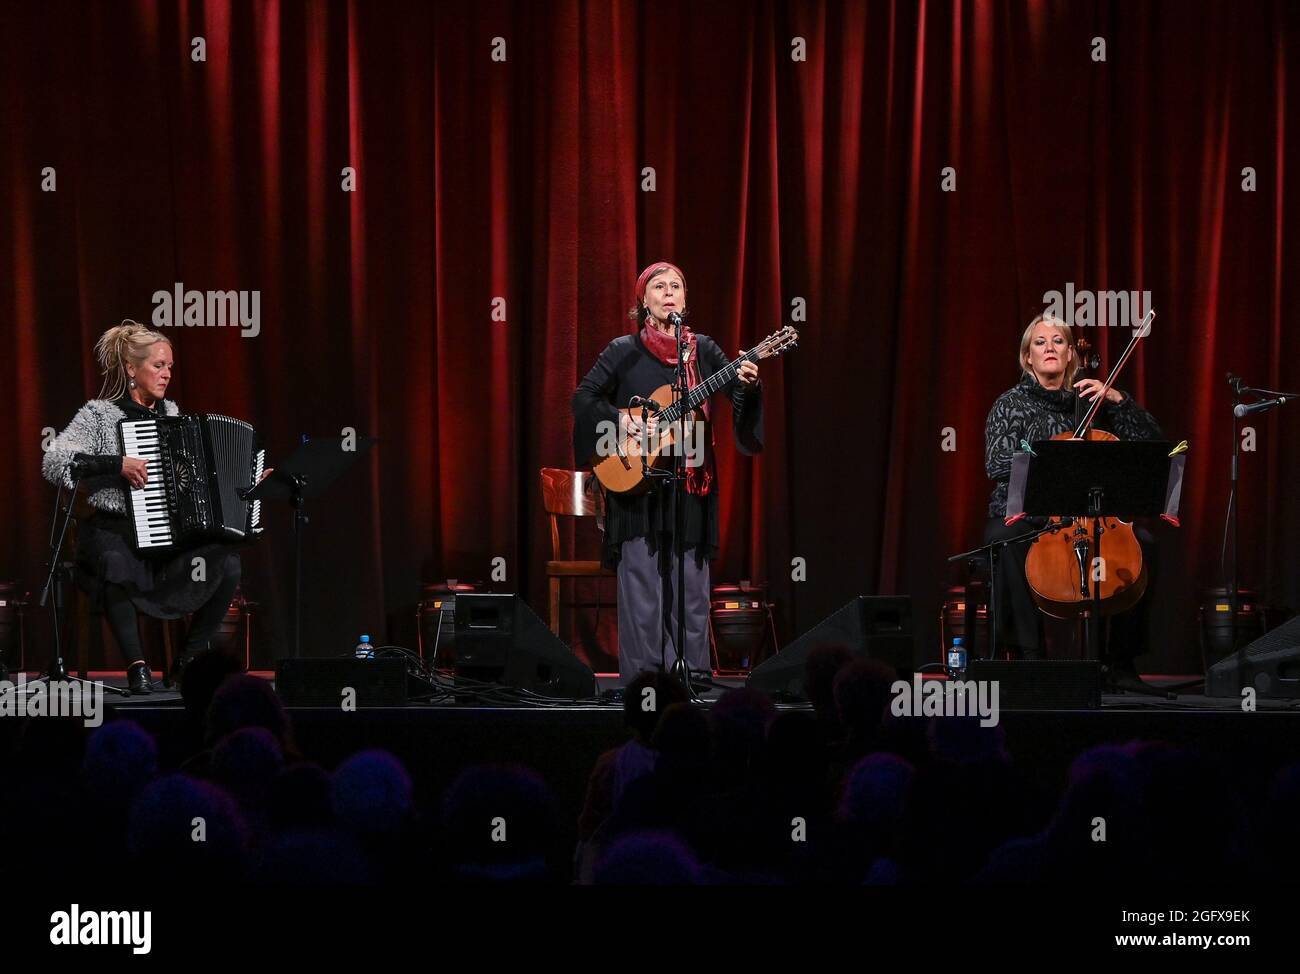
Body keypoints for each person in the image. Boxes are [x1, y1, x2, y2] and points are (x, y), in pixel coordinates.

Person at [42, 321, 265, 694]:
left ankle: (187, 661)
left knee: (228, 564)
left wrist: (249, 481)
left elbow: (196, 482)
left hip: (165, 541)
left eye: (170, 367)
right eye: (159, 365)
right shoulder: (99, 415)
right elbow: (55, 461)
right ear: (132, 368)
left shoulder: (173, 416)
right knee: (112, 560)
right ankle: (137, 665)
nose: (167, 375)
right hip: (114, 533)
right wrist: (117, 464)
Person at [572, 262, 763, 685]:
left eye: (676, 284)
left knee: (691, 585)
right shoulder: (622, 350)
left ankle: (691, 674)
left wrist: (747, 385)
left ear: (685, 298)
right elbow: (583, 399)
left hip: (691, 479)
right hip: (636, 485)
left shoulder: (706, 351)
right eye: (659, 286)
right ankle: (645, 678)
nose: (669, 291)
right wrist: (623, 420)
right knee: (642, 583)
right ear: (644, 300)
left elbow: (736, 399)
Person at [982, 314, 1162, 670]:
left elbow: (1151, 444)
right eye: (1040, 342)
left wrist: (1118, 399)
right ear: (1027, 357)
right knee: (1005, 538)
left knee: (1146, 545)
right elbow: (997, 463)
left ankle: (1121, 664)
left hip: (1094, 516)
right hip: (1032, 517)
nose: (1049, 347)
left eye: (1058, 341)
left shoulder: (1093, 401)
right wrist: (1052, 456)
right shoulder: (1011, 404)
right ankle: (1031, 660)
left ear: (1070, 356)